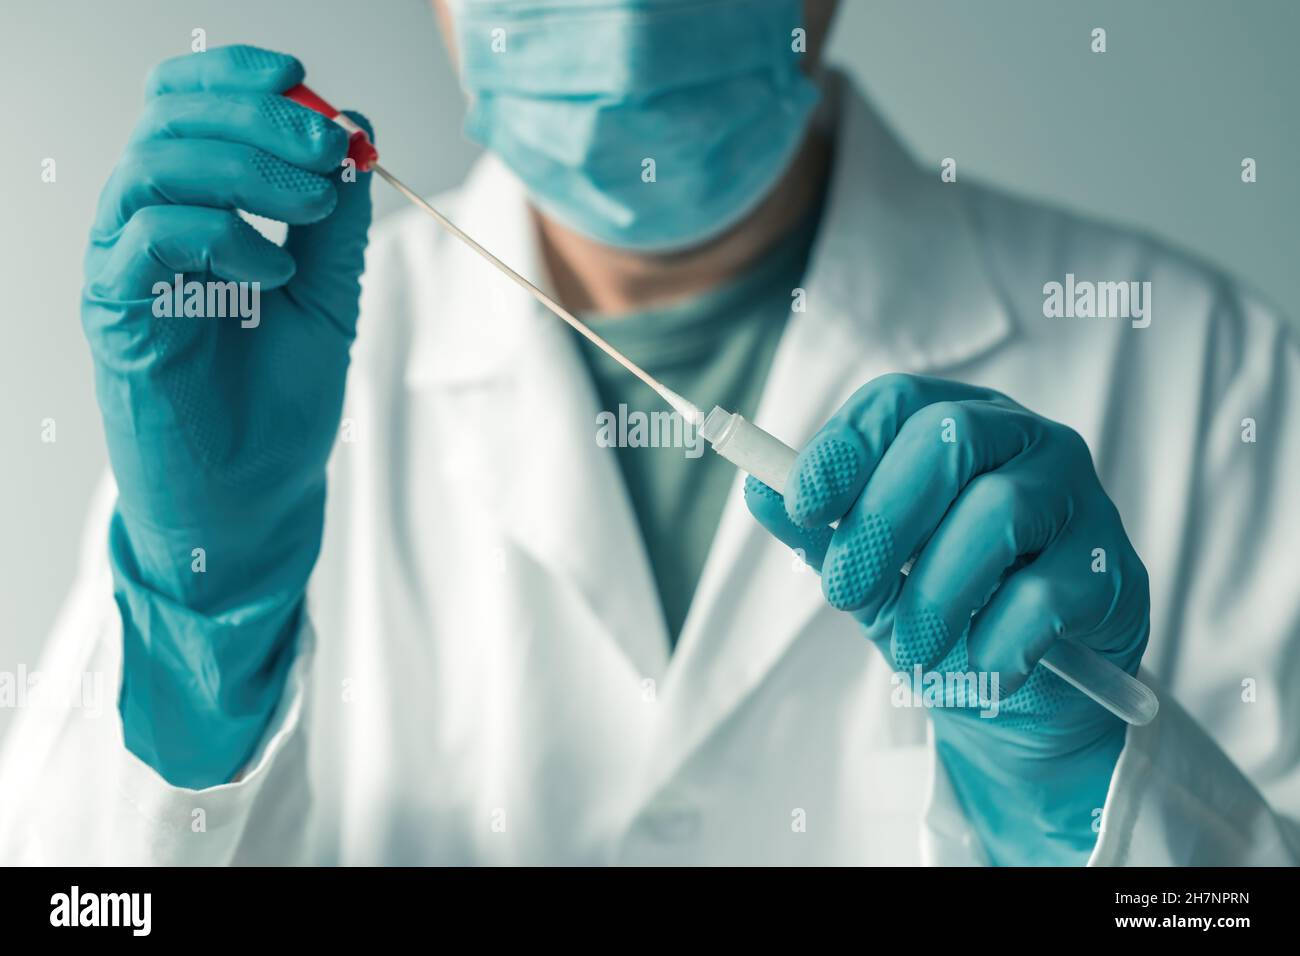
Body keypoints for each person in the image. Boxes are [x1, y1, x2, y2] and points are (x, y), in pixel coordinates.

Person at [1, 0, 1296, 866]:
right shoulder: (254, 357)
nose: (616, 20)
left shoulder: (1202, 372)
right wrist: (197, 635)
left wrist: (1083, 806)